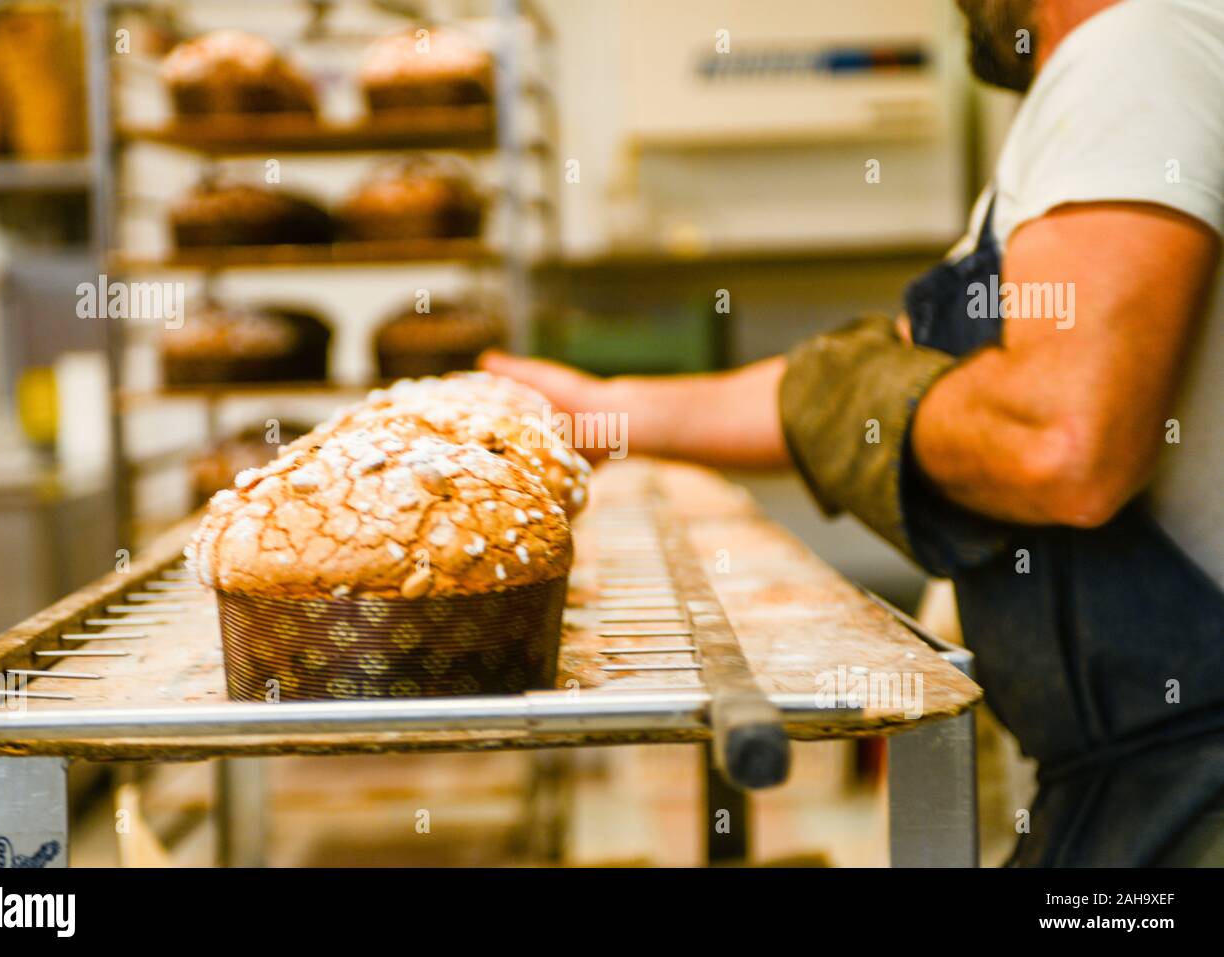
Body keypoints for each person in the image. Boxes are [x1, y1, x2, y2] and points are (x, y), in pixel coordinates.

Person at [484, 0, 1224, 866]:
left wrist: (857, 389)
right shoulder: (1136, 76)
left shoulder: (1137, 47)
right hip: (1140, 784)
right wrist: (606, 409)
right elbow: (846, 389)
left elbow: (1058, 441)